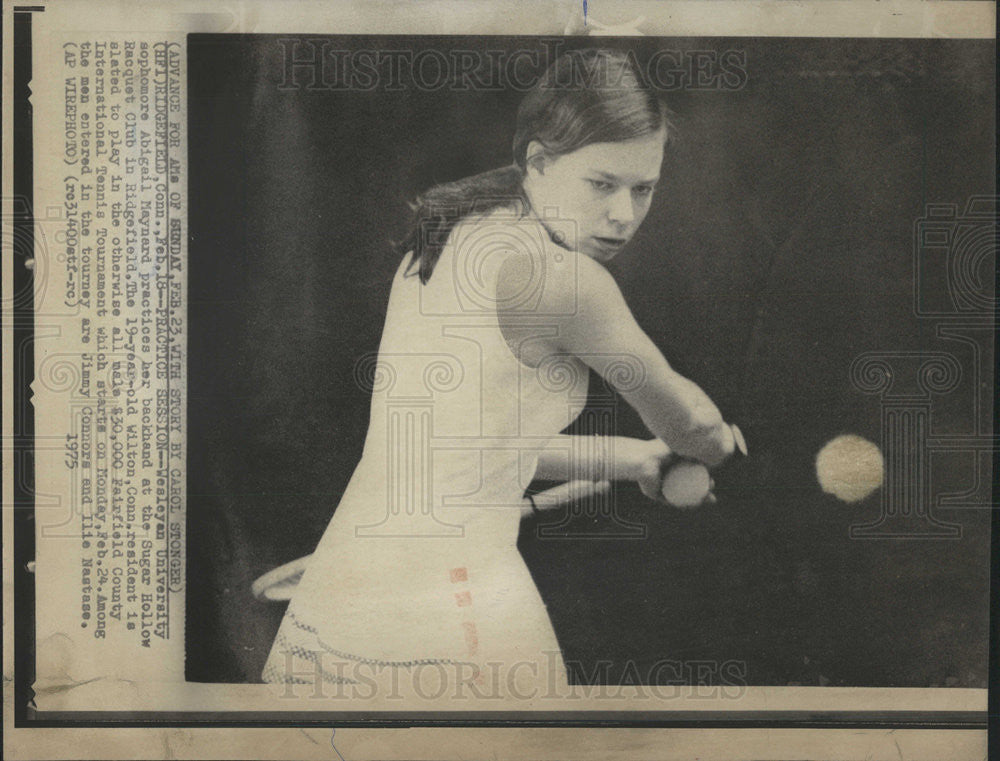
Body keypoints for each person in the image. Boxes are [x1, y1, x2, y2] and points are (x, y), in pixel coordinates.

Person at [261, 48, 736, 701]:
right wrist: (707, 443)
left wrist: (633, 460)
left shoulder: (451, 233)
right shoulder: (565, 282)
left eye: (644, 187)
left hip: (344, 594)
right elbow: (695, 422)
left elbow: (480, 447)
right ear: (540, 161)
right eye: (602, 183)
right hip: (458, 609)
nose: (624, 214)